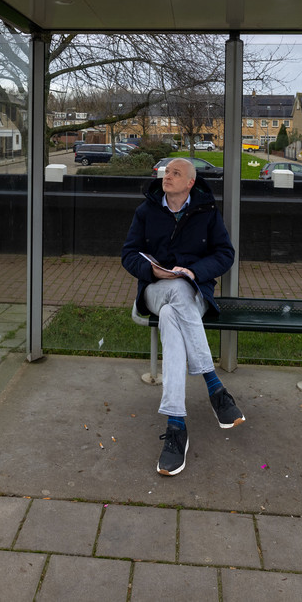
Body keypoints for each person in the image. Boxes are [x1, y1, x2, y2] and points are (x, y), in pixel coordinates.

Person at [121, 157, 243, 476]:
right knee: (174, 290)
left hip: (194, 294)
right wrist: (153, 271)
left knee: (173, 316)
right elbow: (128, 254)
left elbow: (225, 254)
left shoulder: (206, 212)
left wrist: (194, 271)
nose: (168, 176)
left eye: (176, 173)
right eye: (166, 172)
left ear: (190, 182)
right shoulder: (146, 210)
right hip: (155, 290)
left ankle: (177, 426)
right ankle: (214, 385)